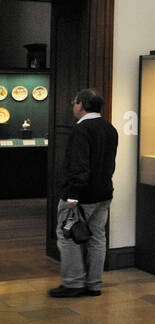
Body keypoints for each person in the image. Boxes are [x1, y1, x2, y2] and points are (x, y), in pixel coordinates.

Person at [50, 88, 118, 298]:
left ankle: (73, 283)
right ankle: (94, 284)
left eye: (74, 102)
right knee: (97, 236)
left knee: (67, 234)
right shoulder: (109, 128)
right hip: (104, 193)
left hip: (82, 196)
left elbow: (80, 165)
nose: (73, 106)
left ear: (81, 104)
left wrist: (72, 194)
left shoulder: (81, 130)